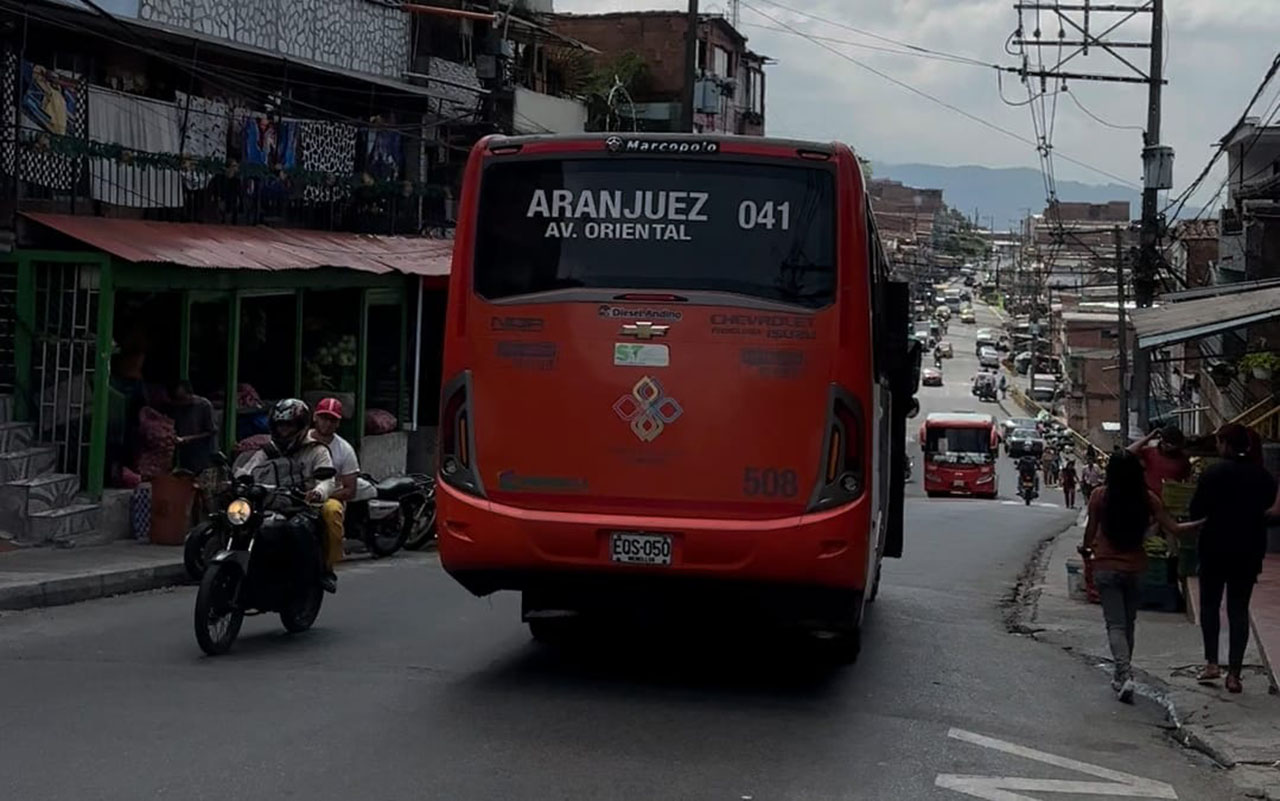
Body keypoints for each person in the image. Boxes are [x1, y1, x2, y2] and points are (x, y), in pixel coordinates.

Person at [1082, 450, 1202, 703]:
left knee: (1114, 625)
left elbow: (1090, 533)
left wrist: (1087, 550)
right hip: (1135, 569)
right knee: (1128, 623)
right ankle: (1122, 675)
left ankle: (1124, 675)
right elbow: (1176, 529)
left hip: (1106, 567)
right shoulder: (1147, 498)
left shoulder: (1099, 496)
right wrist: (1205, 522)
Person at [1189, 423, 1279, 693]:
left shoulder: (1213, 473)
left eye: (1219, 442)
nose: (1217, 447)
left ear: (1226, 444)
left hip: (1214, 548)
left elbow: (1196, 510)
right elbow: (1267, 513)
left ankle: (1212, 664)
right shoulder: (1263, 476)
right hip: (1248, 550)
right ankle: (1235, 675)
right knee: (1239, 609)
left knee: (1210, 605)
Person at [235, 398, 336, 587]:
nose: (284, 430)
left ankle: (311, 575)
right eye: (280, 425)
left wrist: (317, 492)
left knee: (298, 528)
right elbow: (249, 468)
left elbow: (328, 480)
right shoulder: (268, 450)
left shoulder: (316, 450)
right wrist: (239, 480)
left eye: (289, 425)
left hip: (302, 505)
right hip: (269, 503)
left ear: (301, 426)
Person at [308, 398, 360, 592]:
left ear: (338, 423)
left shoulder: (344, 450)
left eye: (332, 420)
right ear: (315, 418)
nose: (327, 423)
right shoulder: (301, 441)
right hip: (297, 494)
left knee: (332, 512)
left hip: (328, 496)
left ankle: (328, 566)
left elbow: (350, 489)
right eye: (324, 418)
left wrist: (321, 495)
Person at [1128, 423, 1192, 497]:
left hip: (1171, 499)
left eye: (1173, 444)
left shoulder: (1182, 460)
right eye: (1168, 443)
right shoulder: (1150, 452)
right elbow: (1128, 451)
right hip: (1150, 498)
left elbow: (1187, 480)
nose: (1170, 447)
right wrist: (1150, 436)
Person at [167, 380, 217, 474]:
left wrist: (190, 438)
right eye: (178, 400)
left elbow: (212, 431)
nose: (181, 403)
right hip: (184, 452)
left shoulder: (204, 405)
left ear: (190, 395)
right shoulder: (177, 407)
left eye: (183, 399)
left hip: (202, 452)